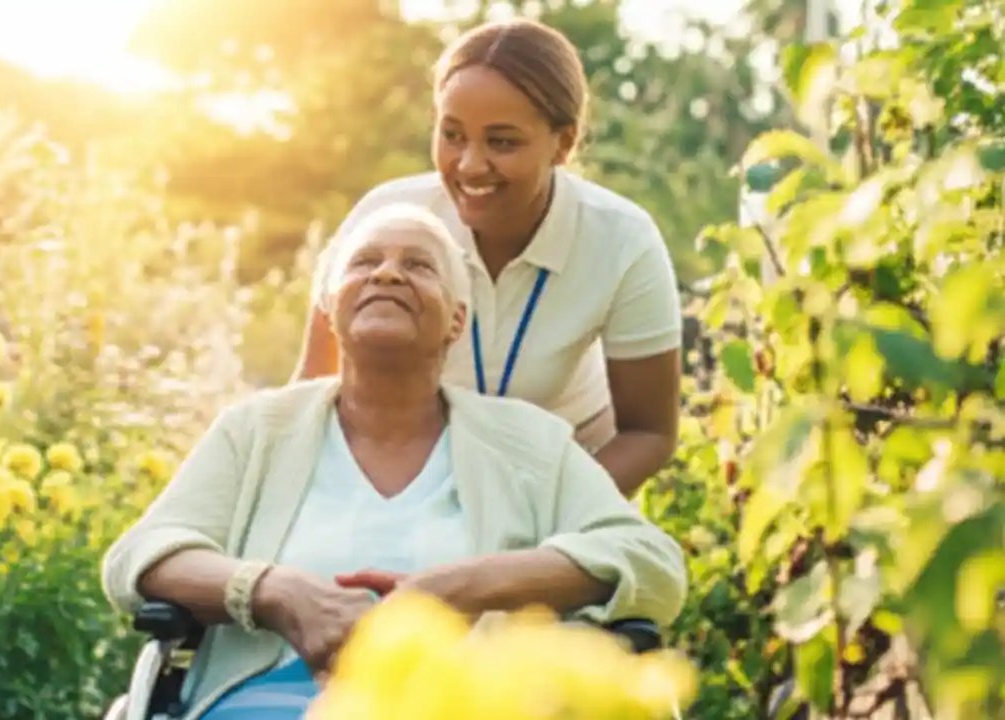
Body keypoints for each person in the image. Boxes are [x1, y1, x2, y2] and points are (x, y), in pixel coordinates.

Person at [102, 204, 687, 720]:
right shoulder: (257, 430)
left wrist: (462, 588)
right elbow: (143, 553)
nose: (387, 272)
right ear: (330, 310)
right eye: (365, 263)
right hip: (267, 704)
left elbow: (650, 561)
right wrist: (277, 593)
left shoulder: (528, 442)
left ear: (457, 320)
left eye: (419, 265)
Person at [295, 19, 683, 497]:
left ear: (562, 143)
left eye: (502, 142)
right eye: (452, 135)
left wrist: (556, 515)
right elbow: (310, 392)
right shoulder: (386, 218)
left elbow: (649, 433)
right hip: (409, 475)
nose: (470, 164)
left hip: (564, 473)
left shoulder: (622, 240)